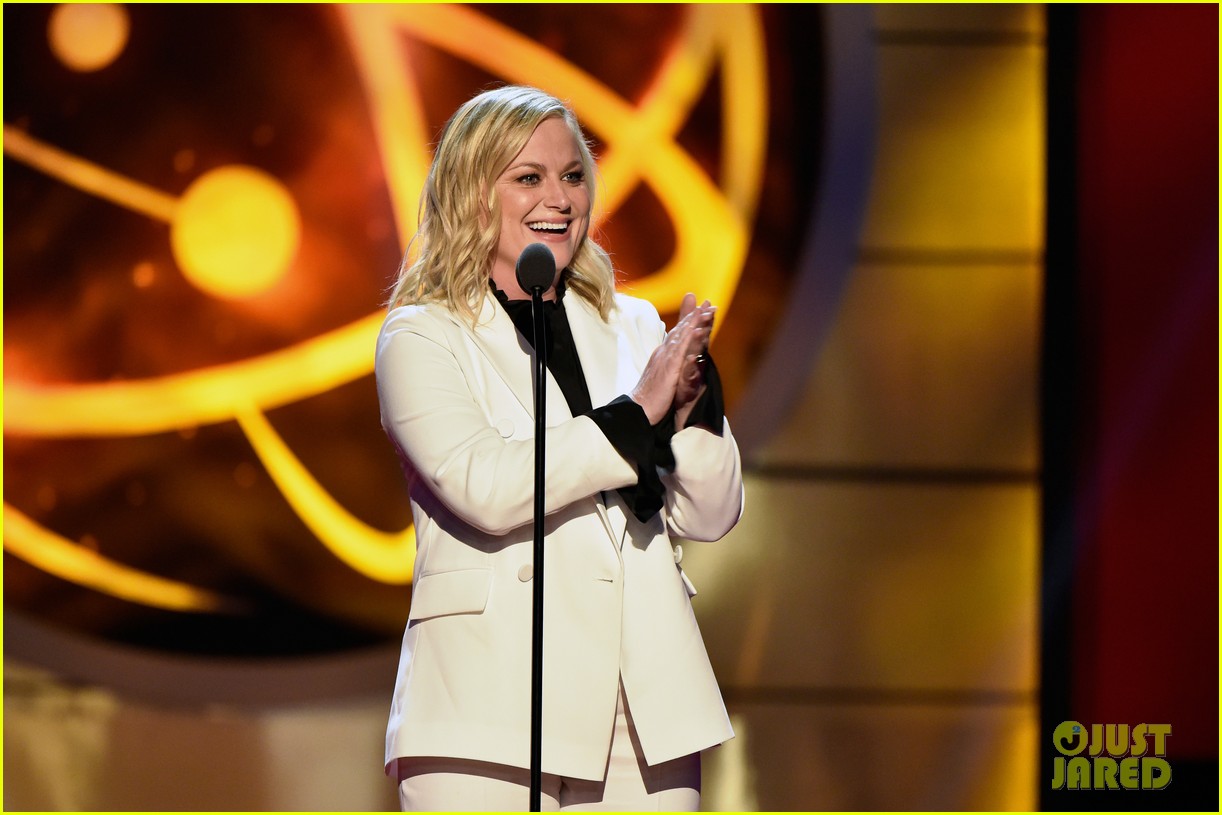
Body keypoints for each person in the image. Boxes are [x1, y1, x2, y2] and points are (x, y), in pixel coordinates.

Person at [375, 84, 744, 811]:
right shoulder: (423, 334)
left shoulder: (635, 325)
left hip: (643, 711)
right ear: (471, 191)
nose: (560, 198)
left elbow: (709, 514)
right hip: (489, 704)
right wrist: (641, 411)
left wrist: (695, 407)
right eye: (529, 177)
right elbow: (487, 485)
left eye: (573, 175)